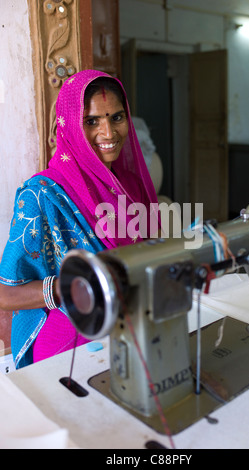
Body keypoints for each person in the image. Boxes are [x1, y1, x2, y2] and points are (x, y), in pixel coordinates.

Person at [0, 70, 159, 369]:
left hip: (128, 320)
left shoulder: (131, 185)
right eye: (91, 121)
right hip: (71, 339)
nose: (109, 133)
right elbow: (4, 294)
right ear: (70, 125)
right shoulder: (42, 195)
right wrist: (71, 287)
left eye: (116, 117)